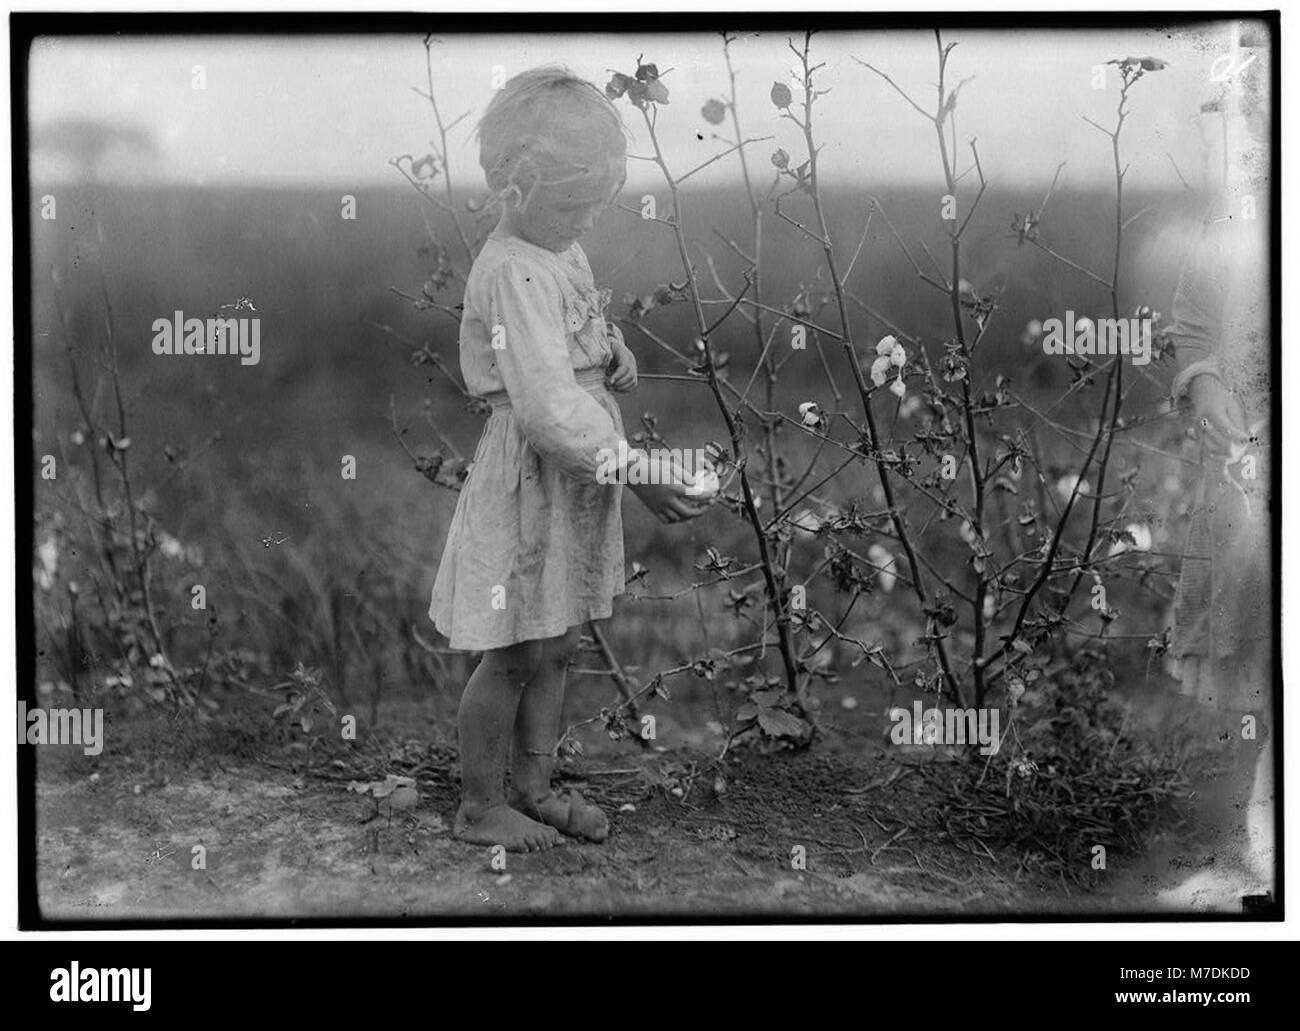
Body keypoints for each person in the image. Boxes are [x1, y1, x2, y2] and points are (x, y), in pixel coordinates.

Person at [429, 67, 715, 852]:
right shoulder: (513, 269)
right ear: (513, 190)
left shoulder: (557, 251)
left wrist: (609, 350)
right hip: (537, 474)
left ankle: (533, 784)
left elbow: (571, 342)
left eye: (595, 203)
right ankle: (481, 803)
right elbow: (550, 409)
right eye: (569, 204)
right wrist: (640, 470)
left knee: (556, 638)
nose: (584, 219)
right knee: (517, 646)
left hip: (571, 478)